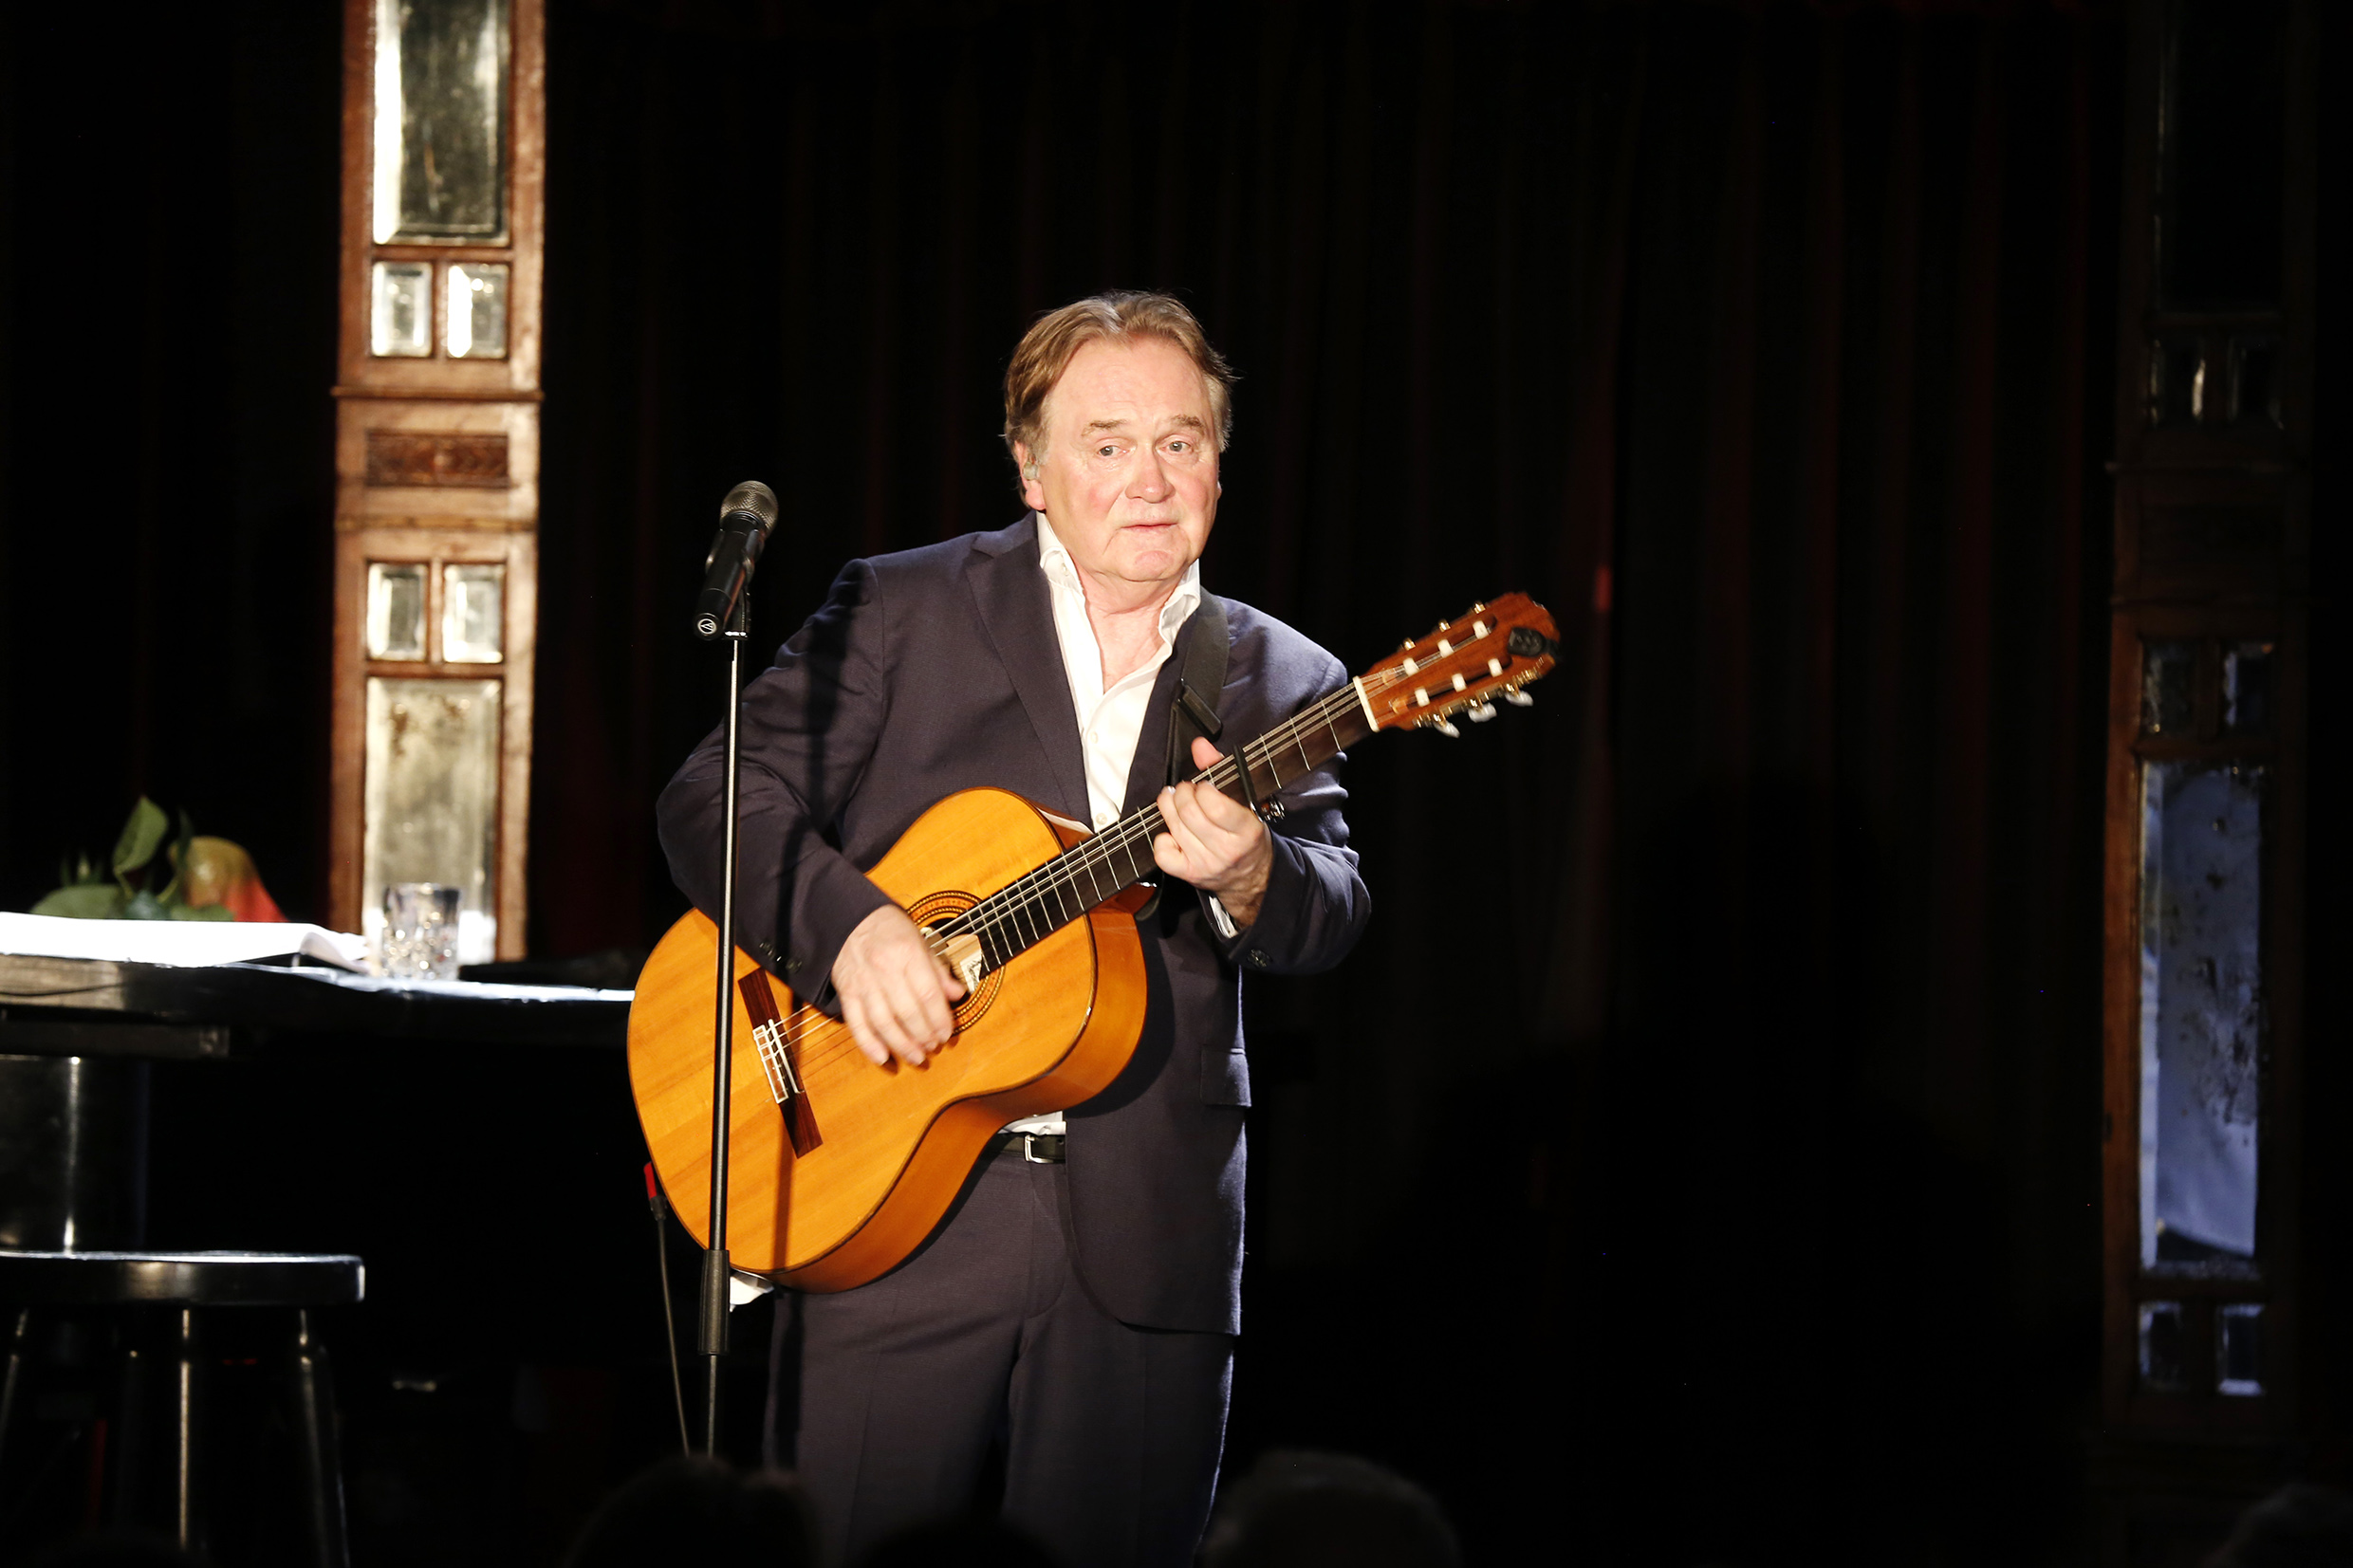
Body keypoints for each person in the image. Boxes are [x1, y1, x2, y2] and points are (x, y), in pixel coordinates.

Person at [657, 292, 1371, 1568]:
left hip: (1148, 1223)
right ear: (1032, 467)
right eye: (1106, 445)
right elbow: (713, 798)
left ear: (1220, 458)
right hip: (883, 1189)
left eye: (1182, 441)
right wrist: (854, 931)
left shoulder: (1284, 678)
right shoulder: (903, 608)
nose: (1150, 481)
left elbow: (1332, 907)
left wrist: (1258, 869)